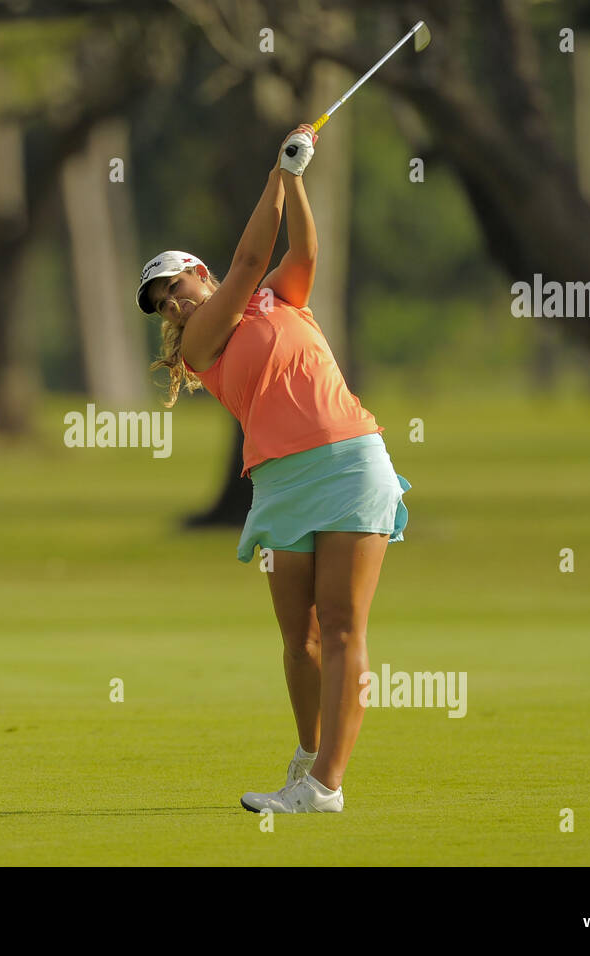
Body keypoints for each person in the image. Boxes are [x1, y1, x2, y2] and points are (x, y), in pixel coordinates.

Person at [136, 124, 410, 813]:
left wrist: (293, 178)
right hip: (282, 482)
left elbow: (302, 250)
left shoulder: (281, 299)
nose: (173, 302)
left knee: (345, 627)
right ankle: (309, 756)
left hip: (350, 462)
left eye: (175, 285)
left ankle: (325, 787)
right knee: (302, 639)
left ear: (200, 273)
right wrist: (276, 175)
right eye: (161, 302)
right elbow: (253, 254)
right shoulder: (202, 341)